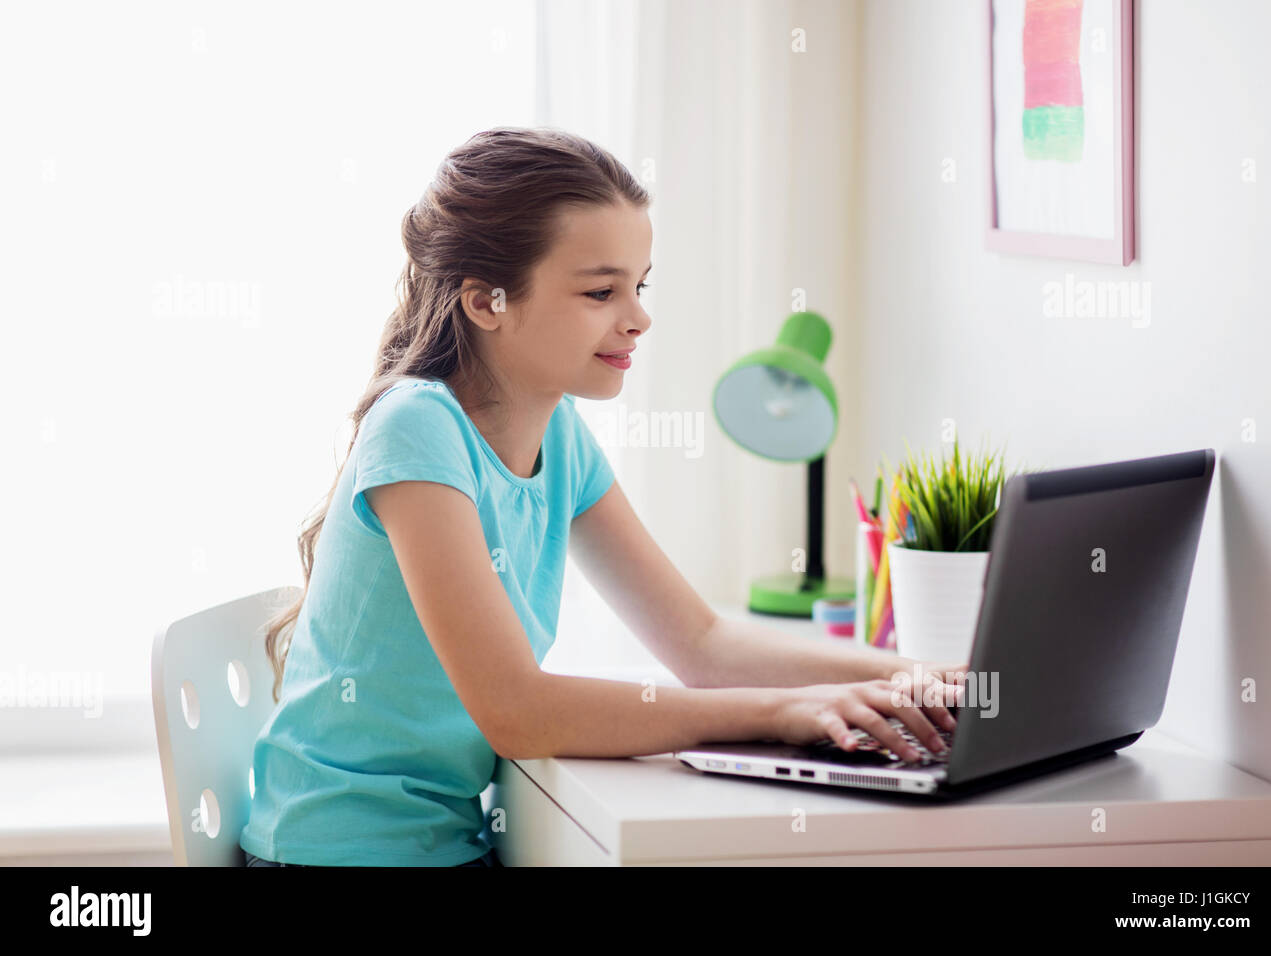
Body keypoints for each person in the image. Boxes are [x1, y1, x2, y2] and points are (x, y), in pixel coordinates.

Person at [238, 126, 965, 868]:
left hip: (443, 847)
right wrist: (785, 712)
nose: (638, 318)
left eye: (639, 287)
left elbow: (702, 644)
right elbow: (517, 711)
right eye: (600, 292)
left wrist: (911, 678)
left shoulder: (561, 434)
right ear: (486, 302)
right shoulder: (417, 428)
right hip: (331, 854)